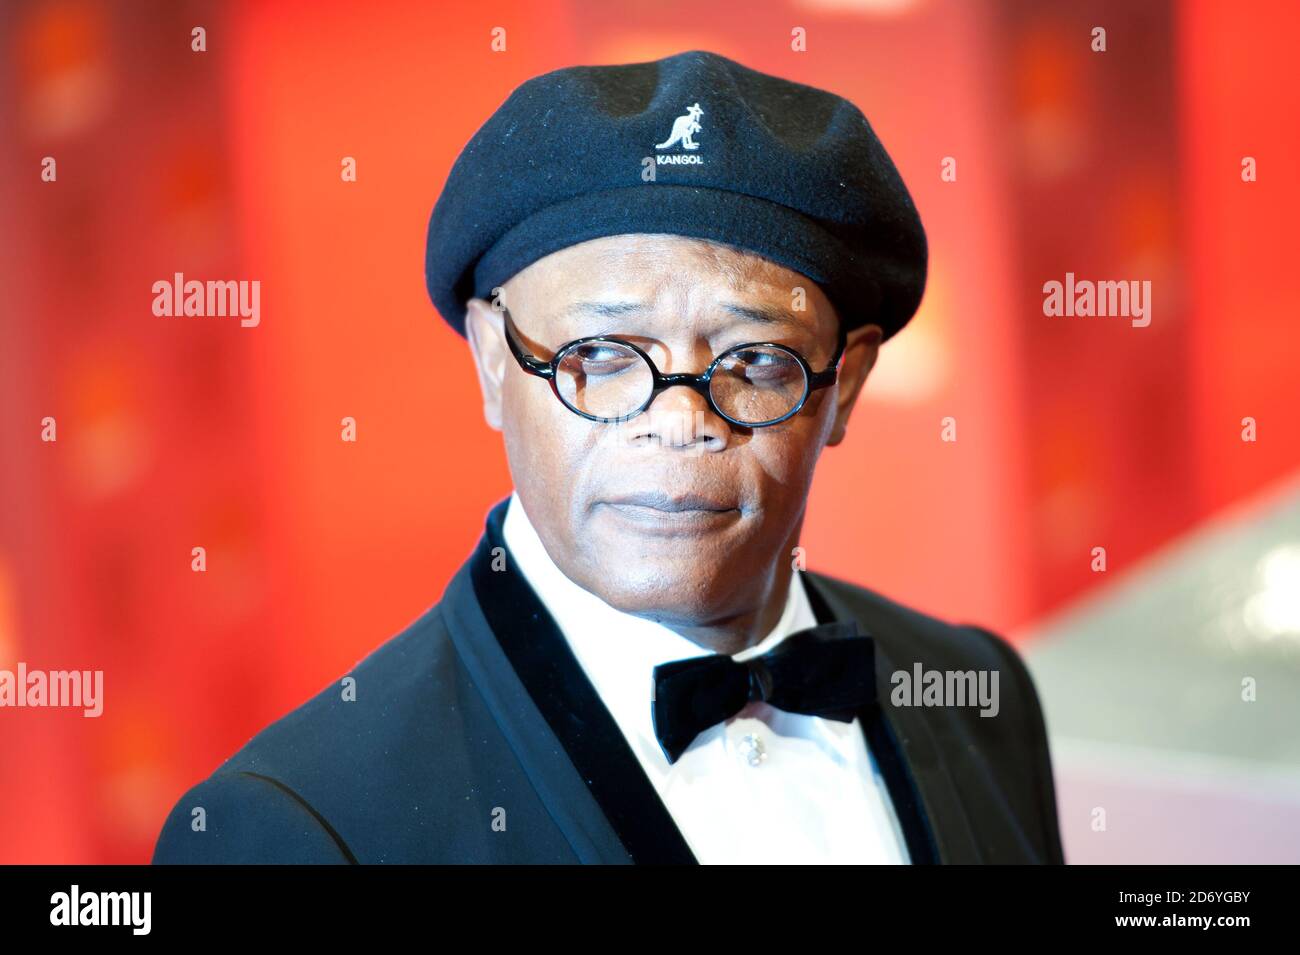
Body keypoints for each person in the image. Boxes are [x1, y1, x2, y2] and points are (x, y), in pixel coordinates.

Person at [152, 49, 1064, 864]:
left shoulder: (978, 695)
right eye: (598, 358)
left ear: (846, 384)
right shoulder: (306, 828)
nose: (676, 425)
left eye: (753, 362)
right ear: (490, 362)